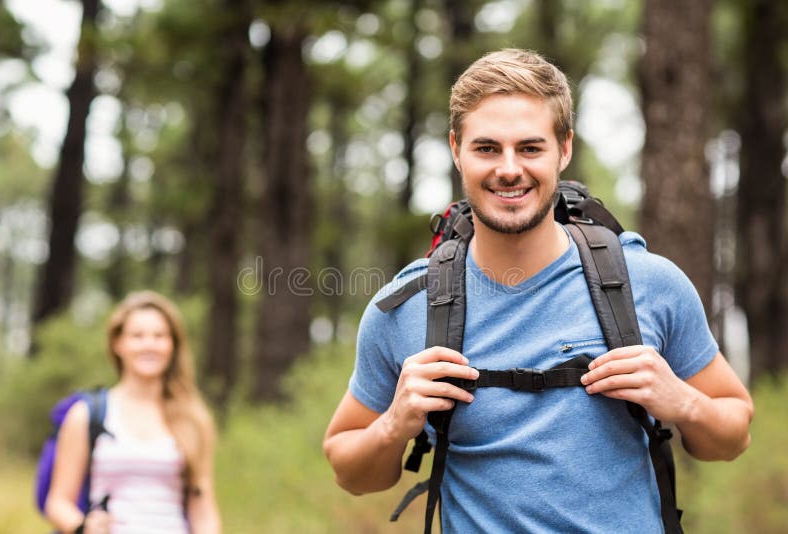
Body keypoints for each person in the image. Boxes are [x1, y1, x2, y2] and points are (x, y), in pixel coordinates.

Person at [323, 49, 754, 532]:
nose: (509, 169)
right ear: (455, 149)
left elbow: (733, 434)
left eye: (530, 148)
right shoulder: (406, 308)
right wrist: (394, 425)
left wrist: (682, 401)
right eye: (487, 148)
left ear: (563, 149)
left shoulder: (649, 284)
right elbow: (349, 469)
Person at [45, 290, 221, 533]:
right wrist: (83, 527)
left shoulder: (193, 419)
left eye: (159, 336)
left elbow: (203, 509)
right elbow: (58, 502)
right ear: (118, 344)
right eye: (137, 336)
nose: (149, 345)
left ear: (172, 345)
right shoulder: (87, 414)